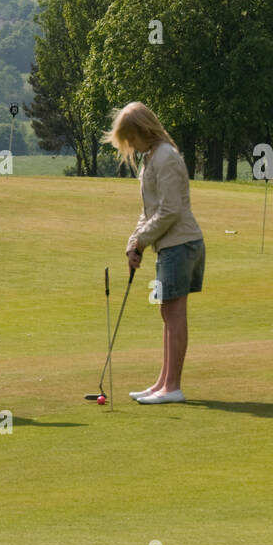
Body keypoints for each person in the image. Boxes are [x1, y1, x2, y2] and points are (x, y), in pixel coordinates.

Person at [104, 102, 205, 405]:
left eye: (131, 139)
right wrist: (134, 242)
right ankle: (162, 382)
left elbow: (170, 211)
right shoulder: (153, 158)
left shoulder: (166, 158)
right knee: (167, 312)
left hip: (181, 245)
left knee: (174, 314)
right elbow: (149, 210)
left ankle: (172, 386)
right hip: (171, 245)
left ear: (143, 131)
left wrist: (143, 242)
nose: (131, 147)